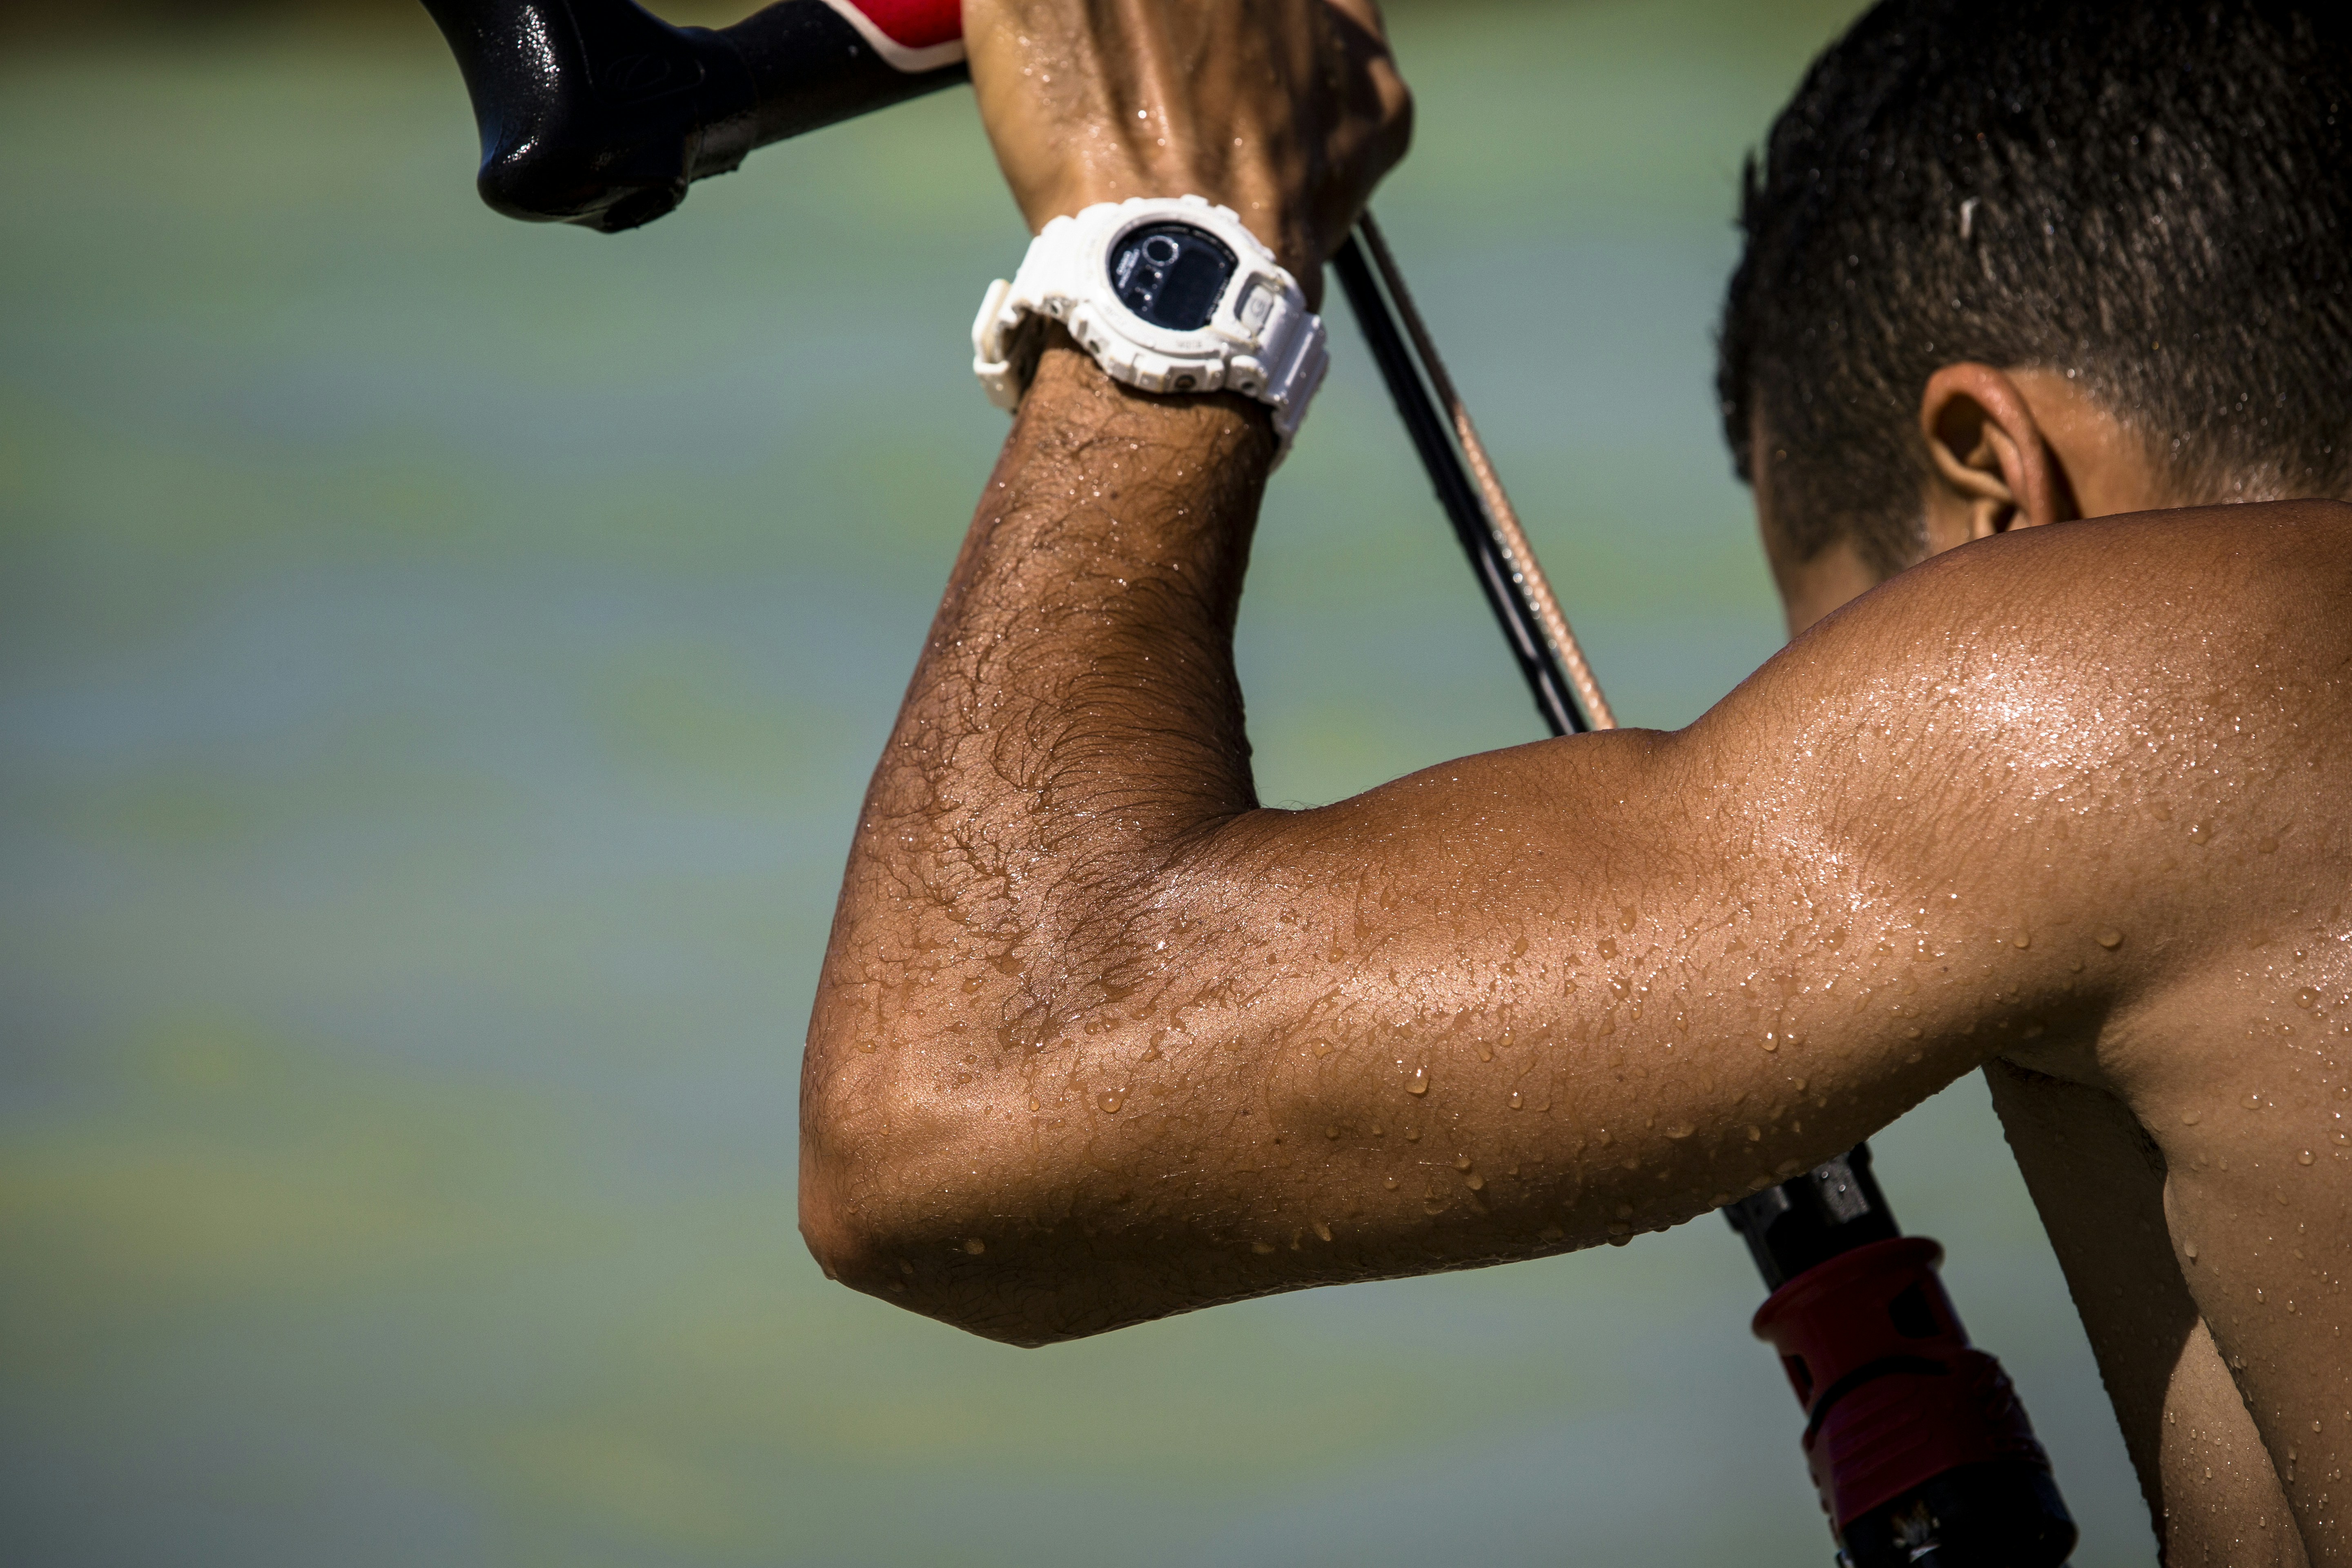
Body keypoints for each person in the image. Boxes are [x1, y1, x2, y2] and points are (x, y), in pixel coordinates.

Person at [797, 1, 2351, 1560]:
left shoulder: (2154, 686)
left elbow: (956, 1110)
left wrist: (1176, 248)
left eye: (1856, 651)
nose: (1855, 706)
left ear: (1998, 496)